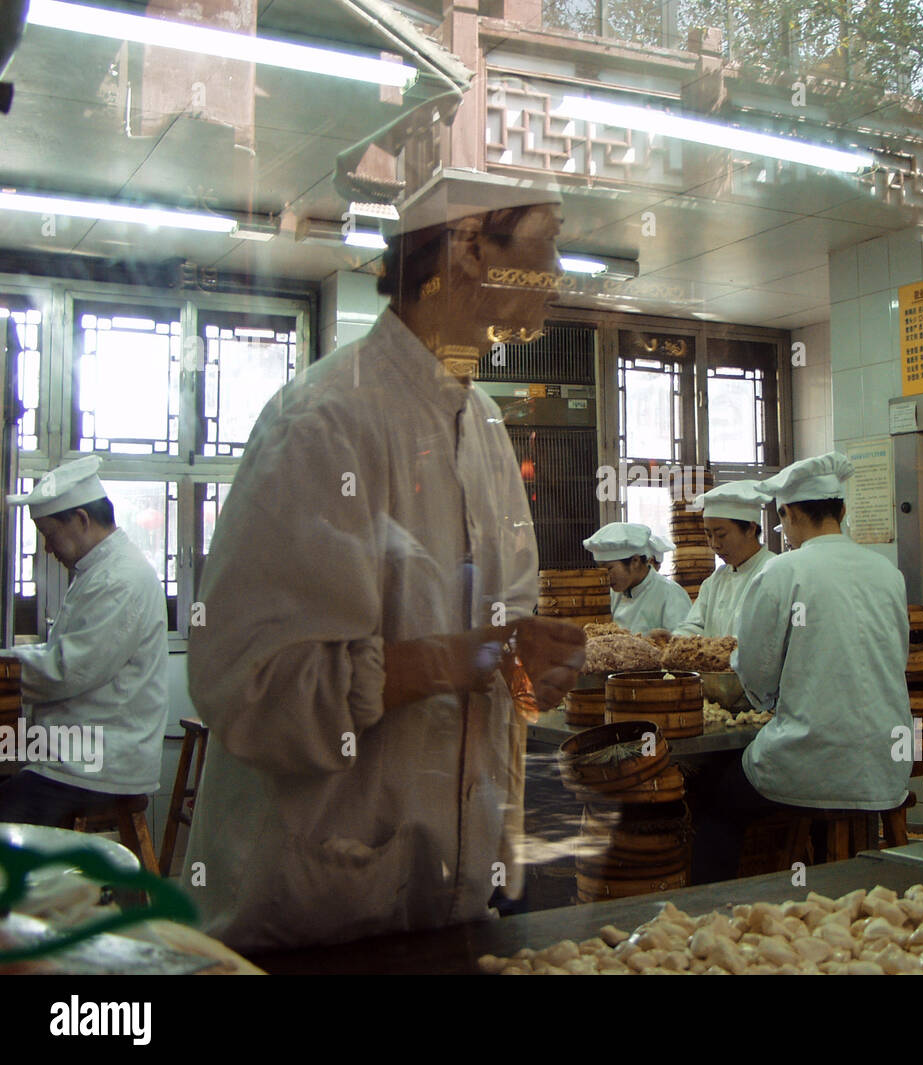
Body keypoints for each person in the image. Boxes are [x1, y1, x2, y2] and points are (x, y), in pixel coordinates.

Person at [181, 169, 585, 952]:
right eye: (551, 239)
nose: (561, 274)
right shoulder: (325, 422)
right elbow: (250, 692)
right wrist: (464, 657)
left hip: (452, 905)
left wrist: (529, 669)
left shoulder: (489, 431)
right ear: (471, 247)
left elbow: (498, 655)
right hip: (314, 921)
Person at [690, 452, 911, 885]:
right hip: (887, 760)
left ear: (786, 514)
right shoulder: (887, 571)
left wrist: (771, 701)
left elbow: (754, 673)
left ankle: (710, 912)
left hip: (811, 761)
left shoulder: (782, 572)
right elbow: (895, 657)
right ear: (842, 510)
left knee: (713, 797)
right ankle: (835, 878)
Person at [0, 457, 168, 827]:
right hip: (77, 749)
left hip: (98, 763)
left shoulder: (120, 579)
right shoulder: (99, 571)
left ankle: (57, 885)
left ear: (81, 519)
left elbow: (66, 669)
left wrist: (5, 666)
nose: (47, 549)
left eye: (49, 535)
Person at [672, 480, 776, 638]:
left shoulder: (773, 572)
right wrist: (676, 639)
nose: (714, 544)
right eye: (708, 535)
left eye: (721, 535)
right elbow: (696, 624)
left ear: (750, 529)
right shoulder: (716, 579)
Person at [583, 522, 691, 634]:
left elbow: (683, 643)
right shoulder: (613, 594)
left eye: (609, 569)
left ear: (635, 561)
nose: (605, 576)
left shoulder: (671, 594)